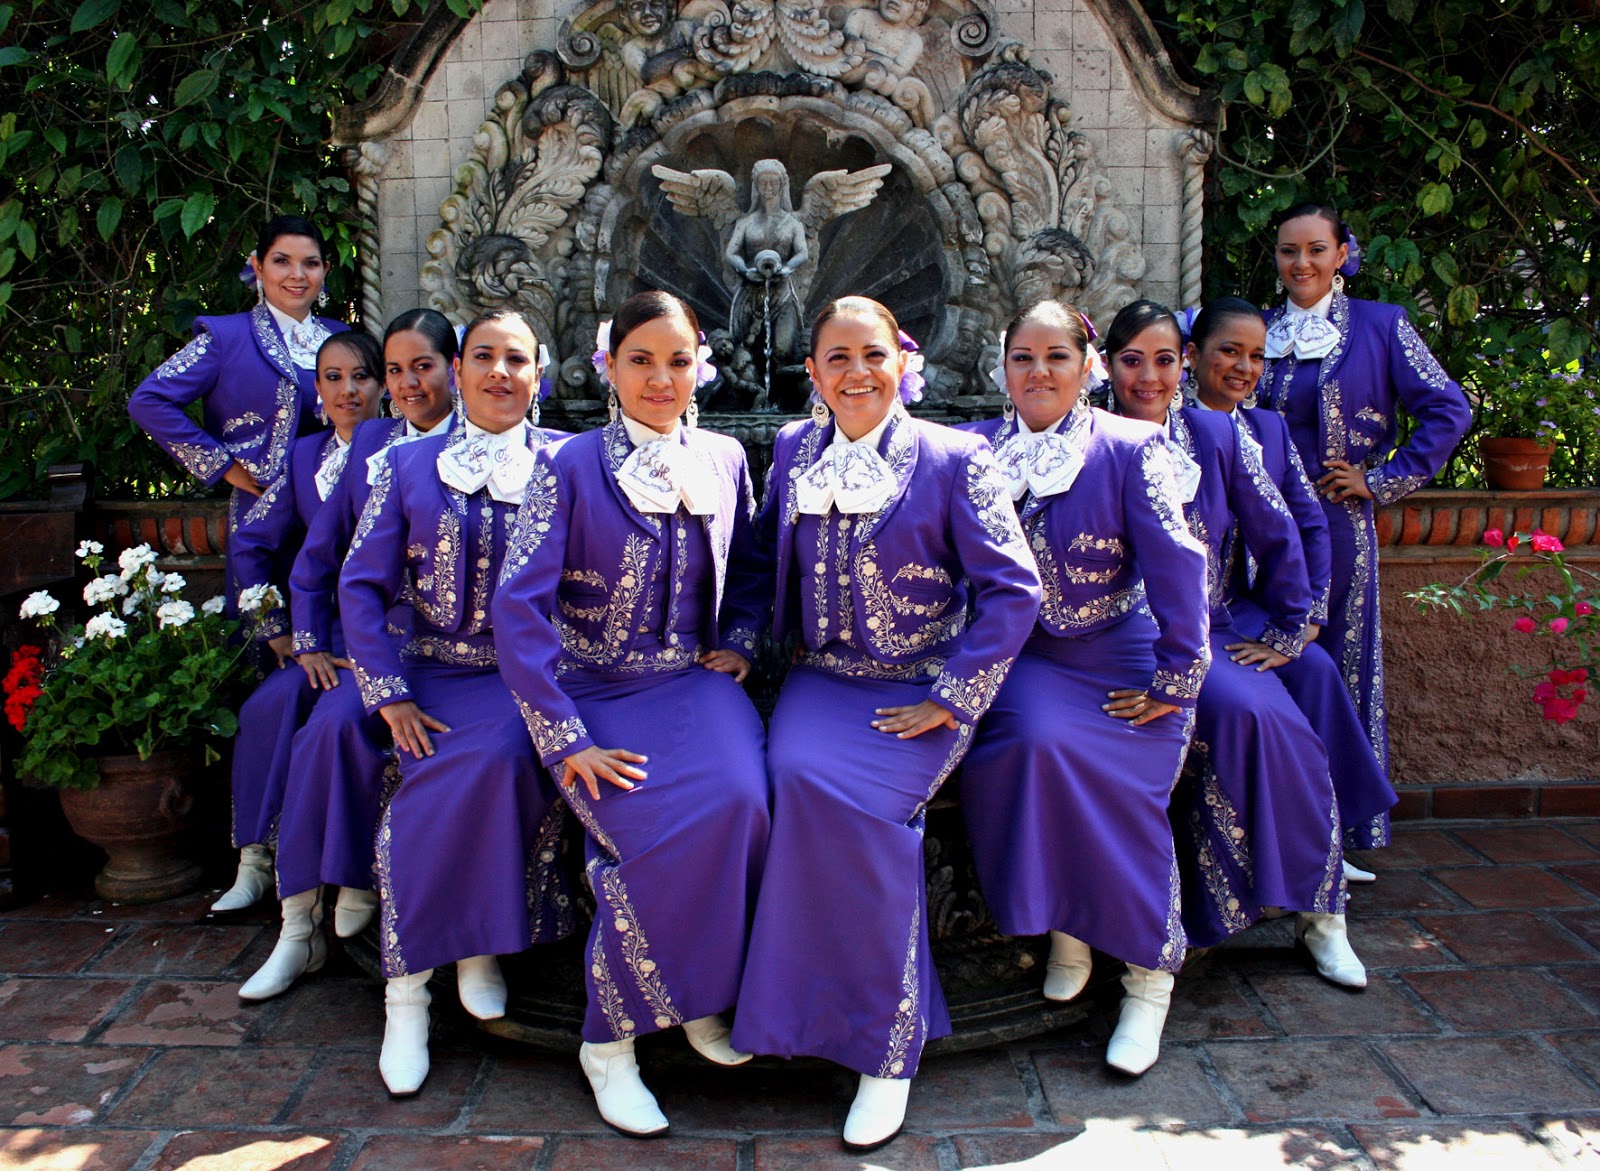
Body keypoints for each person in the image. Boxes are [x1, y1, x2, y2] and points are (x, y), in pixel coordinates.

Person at [731, 297, 1041, 1151]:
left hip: (921, 687)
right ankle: (794, 1012)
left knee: (870, 815)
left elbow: (1014, 589)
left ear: (902, 362)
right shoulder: (793, 450)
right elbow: (757, 561)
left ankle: (886, 1048)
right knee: (794, 780)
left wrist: (956, 694)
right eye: (837, 357)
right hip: (823, 681)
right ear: (812, 373)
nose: (857, 372)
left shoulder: (956, 457)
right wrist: (739, 642)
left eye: (873, 354)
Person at [494, 291, 770, 1138]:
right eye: (640, 360)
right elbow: (517, 606)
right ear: (608, 367)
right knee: (643, 825)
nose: (660, 378)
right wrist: (564, 736)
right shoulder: (569, 464)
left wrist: (741, 641)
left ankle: (699, 994)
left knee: (741, 802)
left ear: (699, 368)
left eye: (678, 360)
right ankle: (609, 1042)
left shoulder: (724, 457)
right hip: (591, 690)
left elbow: (752, 565)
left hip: (691, 683)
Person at [958, 300, 1208, 1079]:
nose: (1039, 372)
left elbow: (1179, 566)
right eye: (1023, 358)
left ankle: (1148, 979)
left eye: (1056, 356)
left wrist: (1176, 677)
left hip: (1119, 651)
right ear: (1002, 369)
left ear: (1087, 367)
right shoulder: (973, 449)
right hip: (1024, 657)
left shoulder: (1131, 448)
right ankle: (1067, 929)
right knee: (1029, 743)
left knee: (1121, 781)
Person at [338, 309, 568, 1096]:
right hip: (433, 673)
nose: (500, 372)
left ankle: (478, 946)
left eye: (516, 359)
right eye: (483, 357)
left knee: (497, 758)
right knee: (428, 765)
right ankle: (407, 995)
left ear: (539, 374)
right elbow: (359, 586)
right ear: (459, 371)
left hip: (527, 679)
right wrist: (389, 691)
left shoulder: (570, 462)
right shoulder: (408, 465)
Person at [1106, 299, 1365, 988]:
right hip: (1106, 641)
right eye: (1132, 360)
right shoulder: (1083, 438)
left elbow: (1280, 529)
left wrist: (1290, 627)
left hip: (1203, 629)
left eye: (1164, 360)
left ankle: (1322, 912)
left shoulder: (1214, 433)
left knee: (1265, 714)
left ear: (1184, 362)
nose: (1149, 377)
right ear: (1107, 365)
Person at [237, 311, 460, 1002]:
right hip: (379, 645)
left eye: (422, 366)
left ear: (454, 368)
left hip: (466, 656)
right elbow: (316, 560)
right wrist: (309, 641)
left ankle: (366, 883)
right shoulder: (372, 442)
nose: (407, 383)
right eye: (394, 370)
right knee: (329, 727)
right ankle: (296, 924)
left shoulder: (491, 442)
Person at [128, 214, 348, 913]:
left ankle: (319, 857)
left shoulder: (339, 340)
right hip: (262, 536)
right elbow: (149, 399)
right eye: (282, 261)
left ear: (325, 271)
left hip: (336, 532)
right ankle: (254, 853)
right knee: (267, 685)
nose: (296, 275)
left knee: (330, 685)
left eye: (309, 262)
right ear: (257, 266)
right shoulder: (225, 337)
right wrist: (223, 465)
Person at [1259, 203, 1470, 856]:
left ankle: (1345, 830)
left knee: (1338, 665)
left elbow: (1449, 409)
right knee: (1263, 656)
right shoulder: (1258, 329)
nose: (1302, 263)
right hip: (1258, 526)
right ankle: (1279, 822)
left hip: (1336, 522)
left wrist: (1381, 479)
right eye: (1289, 251)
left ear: (1342, 255)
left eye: (1316, 249)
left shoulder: (1382, 325)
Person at [1185, 297, 1396, 884]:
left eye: (1257, 356)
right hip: (1189, 615)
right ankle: (1299, 849)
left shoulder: (1268, 430)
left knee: (1317, 668)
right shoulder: (1166, 427)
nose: (1244, 367)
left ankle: (1330, 834)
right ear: (1193, 355)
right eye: (1229, 351)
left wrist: (1305, 618)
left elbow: (1308, 523)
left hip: (1238, 605)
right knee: (1260, 694)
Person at [221, 332, 383, 947]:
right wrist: (279, 631)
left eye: (361, 376)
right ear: (317, 389)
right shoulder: (303, 458)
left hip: (380, 633)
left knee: (333, 720)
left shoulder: (403, 450)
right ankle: (255, 859)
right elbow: (252, 542)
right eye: (334, 378)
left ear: (383, 385)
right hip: (321, 632)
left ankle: (341, 875)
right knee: (270, 705)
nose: (348, 390)